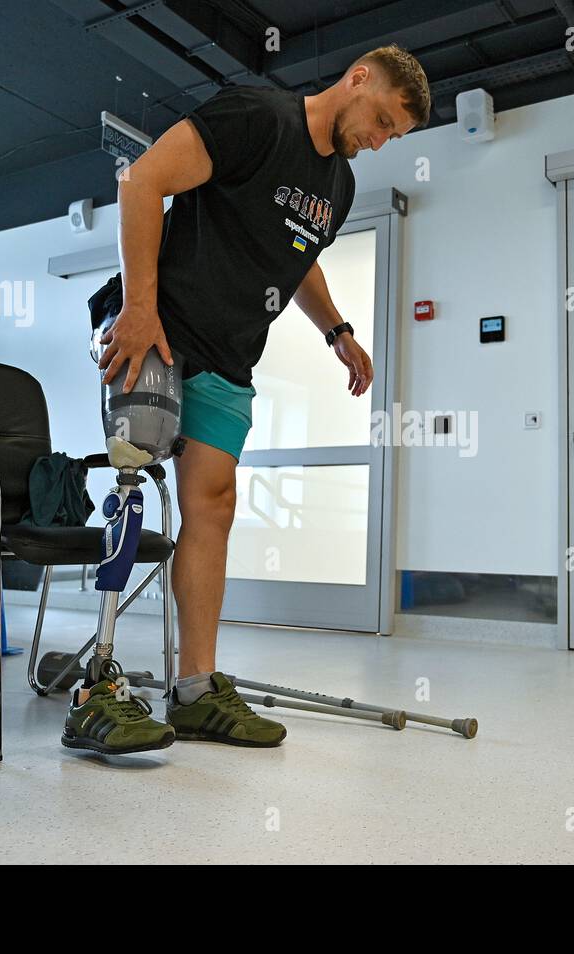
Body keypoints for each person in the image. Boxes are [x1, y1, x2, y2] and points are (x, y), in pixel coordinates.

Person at [63, 46, 430, 754]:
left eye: (394, 136)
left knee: (214, 505)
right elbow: (142, 182)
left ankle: (194, 691)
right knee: (134, 473)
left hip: (231, 358)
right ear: (356, 77)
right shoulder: (257, 117)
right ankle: (98, 685)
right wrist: (139, 306)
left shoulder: (340, 187)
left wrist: (338, 331)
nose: (380, 140)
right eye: (381, 119)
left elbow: (292, 260)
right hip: (161, 330)